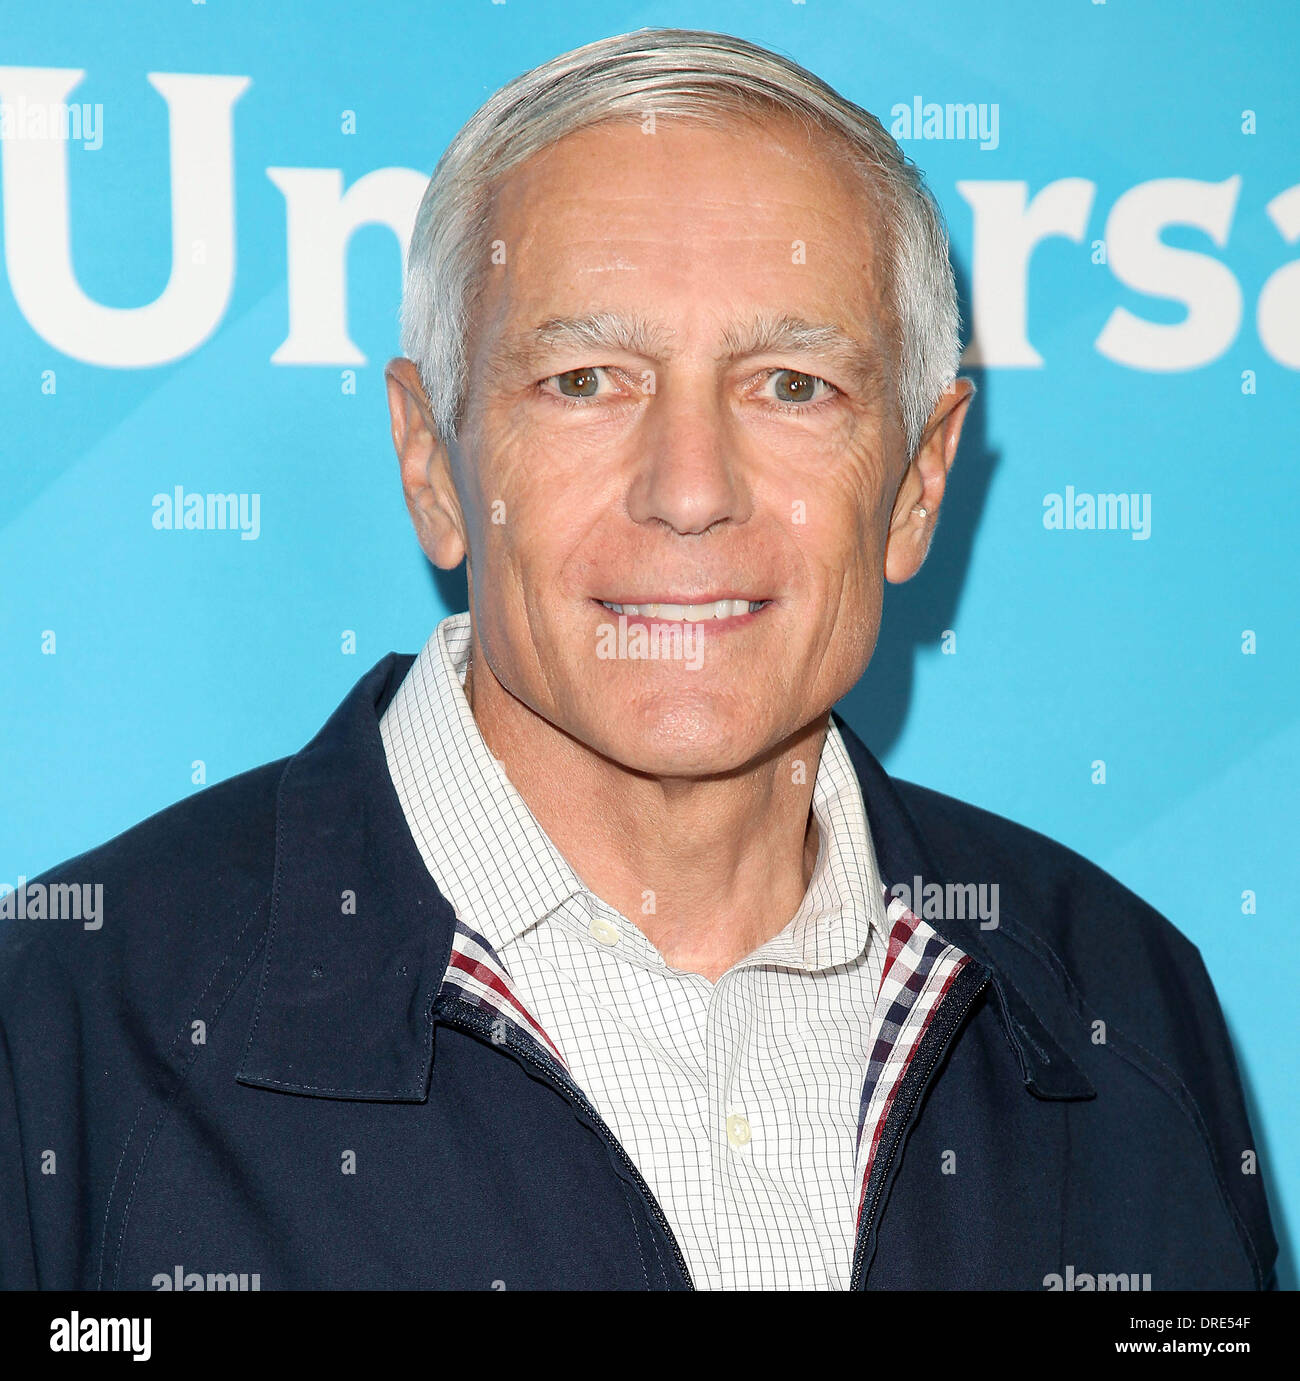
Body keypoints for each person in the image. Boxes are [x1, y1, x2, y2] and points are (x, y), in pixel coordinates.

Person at [0, 28, 1276, 1291]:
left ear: (918, 482)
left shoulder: (1124, 1004)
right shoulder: (58, 1033)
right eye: (584, 379)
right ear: (432, 464)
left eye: (790, 385)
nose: (689, 490)